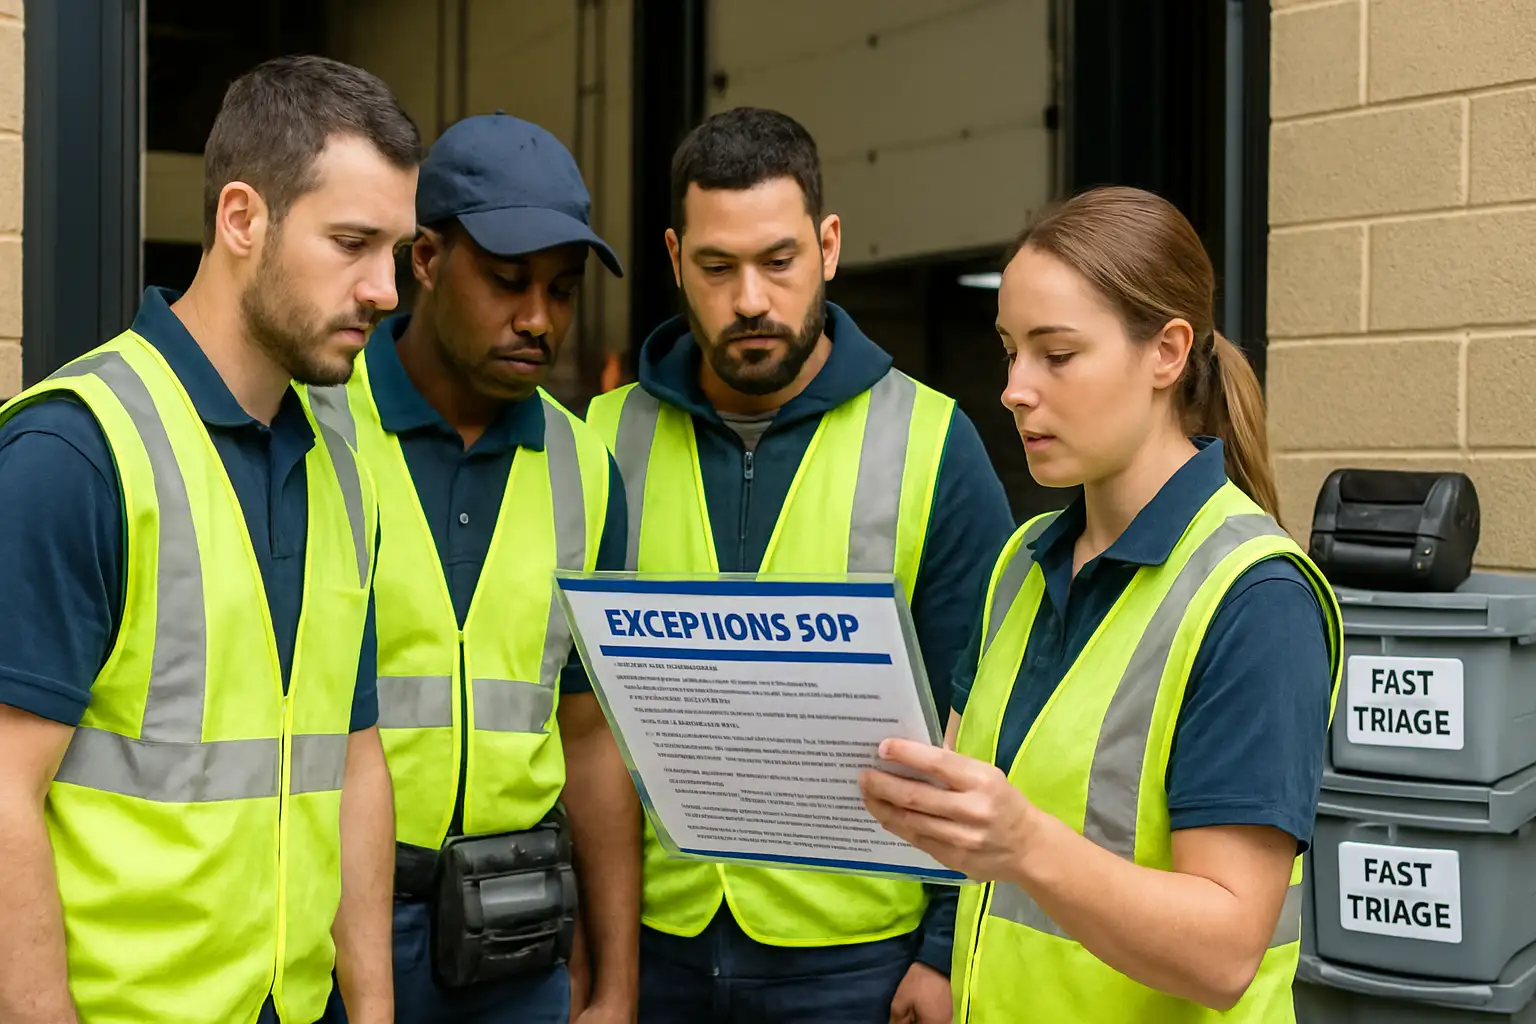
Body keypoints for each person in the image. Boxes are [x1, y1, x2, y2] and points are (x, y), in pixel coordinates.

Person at [858, 185, 1344, 1022]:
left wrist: (1024, 844)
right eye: (1010, 350)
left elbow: (1227, 951)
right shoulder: (1022, 560)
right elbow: (974, 807)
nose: (1013, 388)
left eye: (1056, 354)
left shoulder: (1257, 598)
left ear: (1166, 353)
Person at [0, 55, 419, 1024]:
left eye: (395, 248)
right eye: (353, 242)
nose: (388, 288)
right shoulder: (75, 452)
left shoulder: (341, 461)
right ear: (242, 218)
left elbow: (354, 761)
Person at [585, 106, 1016, 1024]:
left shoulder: (934, 442)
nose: (749, 299)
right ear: (673, 258)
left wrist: (943, 951)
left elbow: (982, 715)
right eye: (716, 266)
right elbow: (571, 720)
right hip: (650, 948)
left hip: (858, 960)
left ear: (826, 246)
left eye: (778, 262)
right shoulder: (600, 441)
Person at [310, 113, 641, 1024]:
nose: (539, 319)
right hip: (333, 918)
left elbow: (589, 738)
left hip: (521, 932)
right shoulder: (313, 433)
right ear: (423, 259)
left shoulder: (584, 471)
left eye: (562, 290)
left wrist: (616, 983)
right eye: (507, 282)